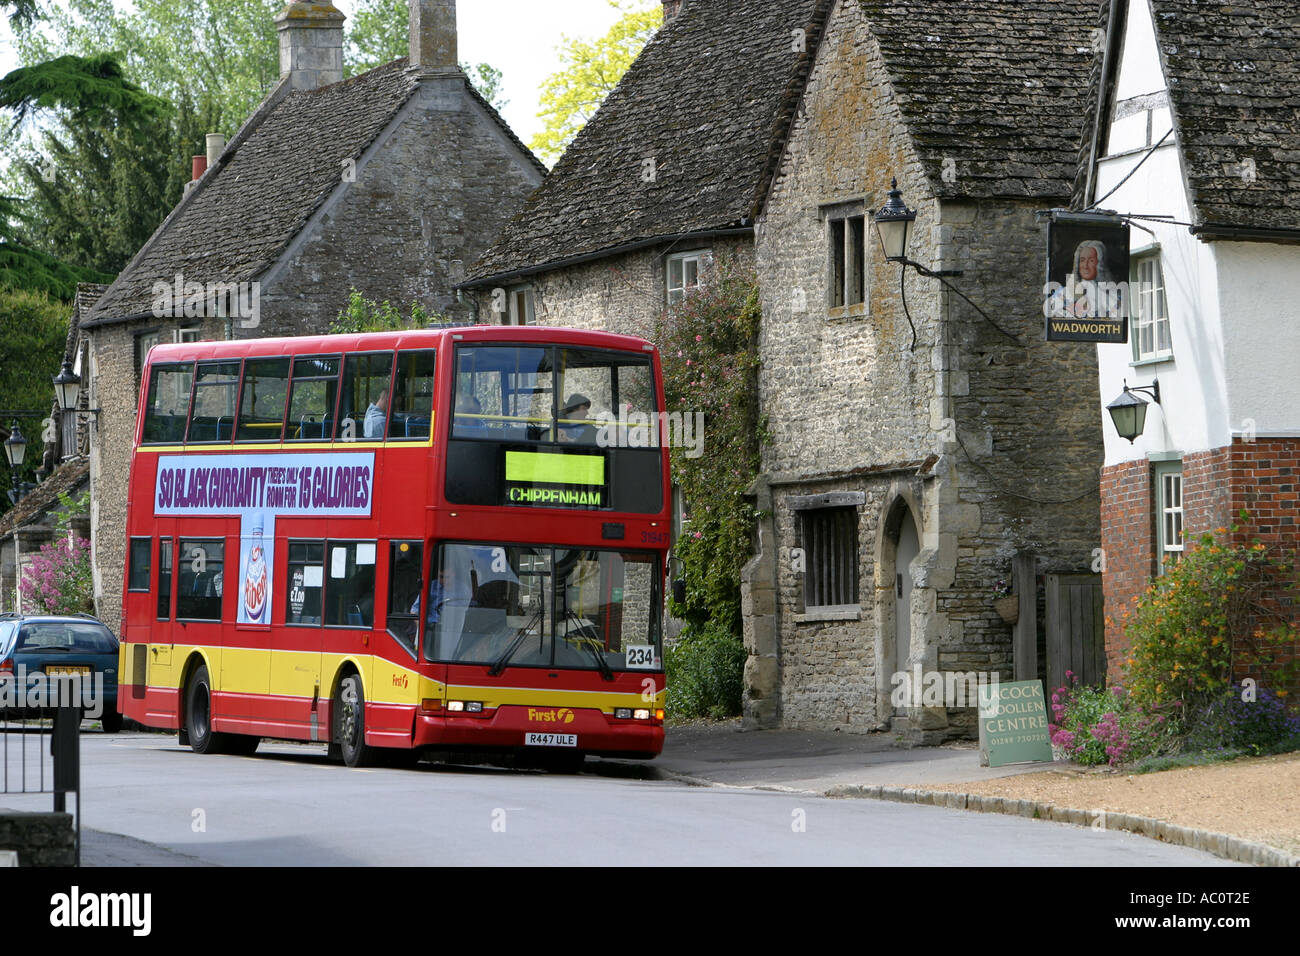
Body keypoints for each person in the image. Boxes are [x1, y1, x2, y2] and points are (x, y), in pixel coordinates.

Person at [1047, 240, 1124, 319]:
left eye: (1091, 261)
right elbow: (1052, 318)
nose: (1085, 266)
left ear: (1099, 263)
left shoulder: (1112, 297)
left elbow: (1118, 322)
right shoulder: (1062, 294)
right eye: (1082, 260)